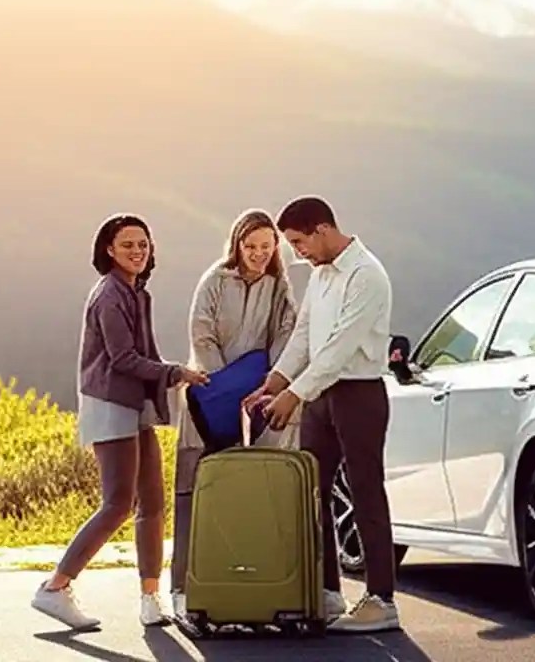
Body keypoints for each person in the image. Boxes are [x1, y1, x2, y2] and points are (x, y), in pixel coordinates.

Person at [32, 214, 209, 631]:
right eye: (127, 244)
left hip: (135, 402)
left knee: (152, 501)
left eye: (143, 244)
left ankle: (150, 599)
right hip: (110, 402)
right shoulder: (109, 295)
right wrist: (176, 372)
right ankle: (54, 588)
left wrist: (165, 376)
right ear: (109, 249)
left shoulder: (135, 292)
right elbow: (122, 359)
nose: (137, 251)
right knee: (117, 504)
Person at [243, 196, 399, 633]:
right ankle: (328, 593)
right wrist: (274, 382)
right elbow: (306, 335)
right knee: (313, 491)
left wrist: (293, 396)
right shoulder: (319, 275)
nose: (297, 253)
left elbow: (338, 349)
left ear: (322, 230)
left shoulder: (367, 275)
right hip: (320, 396)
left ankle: (381, 600)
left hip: (358, 394)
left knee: (366, 491)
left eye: (298, 242)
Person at [168, 209, 300, 618]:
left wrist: (266, 382)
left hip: (255, 402)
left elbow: (286, 333)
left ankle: (244, 580)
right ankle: (182, 586)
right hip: (208, 398)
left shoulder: (279, 286)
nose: (258, 254)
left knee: (247, 490)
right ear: (236, 245)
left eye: (266, 246)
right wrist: (223, 383)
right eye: (251, 246)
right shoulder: (214, 281)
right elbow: (201, 333)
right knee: (195, 489)